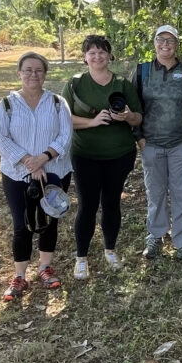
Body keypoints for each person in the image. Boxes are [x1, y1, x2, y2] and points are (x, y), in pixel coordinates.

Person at [0, 52, 73, 302]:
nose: (33, 75)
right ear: (19, 73)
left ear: (45, 74)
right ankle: (20, 275)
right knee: (22, 223)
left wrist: (44, 158)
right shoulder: (7, 104)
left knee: (50, 219)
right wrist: (30, 161)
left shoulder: (58, 102)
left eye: (38, 70)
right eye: (27, 70)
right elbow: (1, 139)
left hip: (54, 172)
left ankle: (45, 268)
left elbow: (65, 135)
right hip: (17, 174)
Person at [62, 34, 143, 279]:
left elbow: (139, 117)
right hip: (86, 155)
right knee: (87, 205)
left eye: (102, 52)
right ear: (85, 57)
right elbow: (63, 120)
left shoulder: (122, 83)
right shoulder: (75, 84)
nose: (97, 56)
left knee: (111, 202)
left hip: (119, 154)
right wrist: (92, 121)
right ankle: (82, 258)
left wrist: (127, 117)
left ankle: (110, 250)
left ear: (110, 55)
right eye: (92, 52)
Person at [132, 25, 182, 261]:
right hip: (150, 143)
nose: (165, 44)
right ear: (154, 42)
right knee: (156, 192)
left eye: (170, 40)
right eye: (161, 39)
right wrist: (139, 139)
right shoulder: (142, 71)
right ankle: (155, 236)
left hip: (181, 143)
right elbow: (134, 107)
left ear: (177, 44)